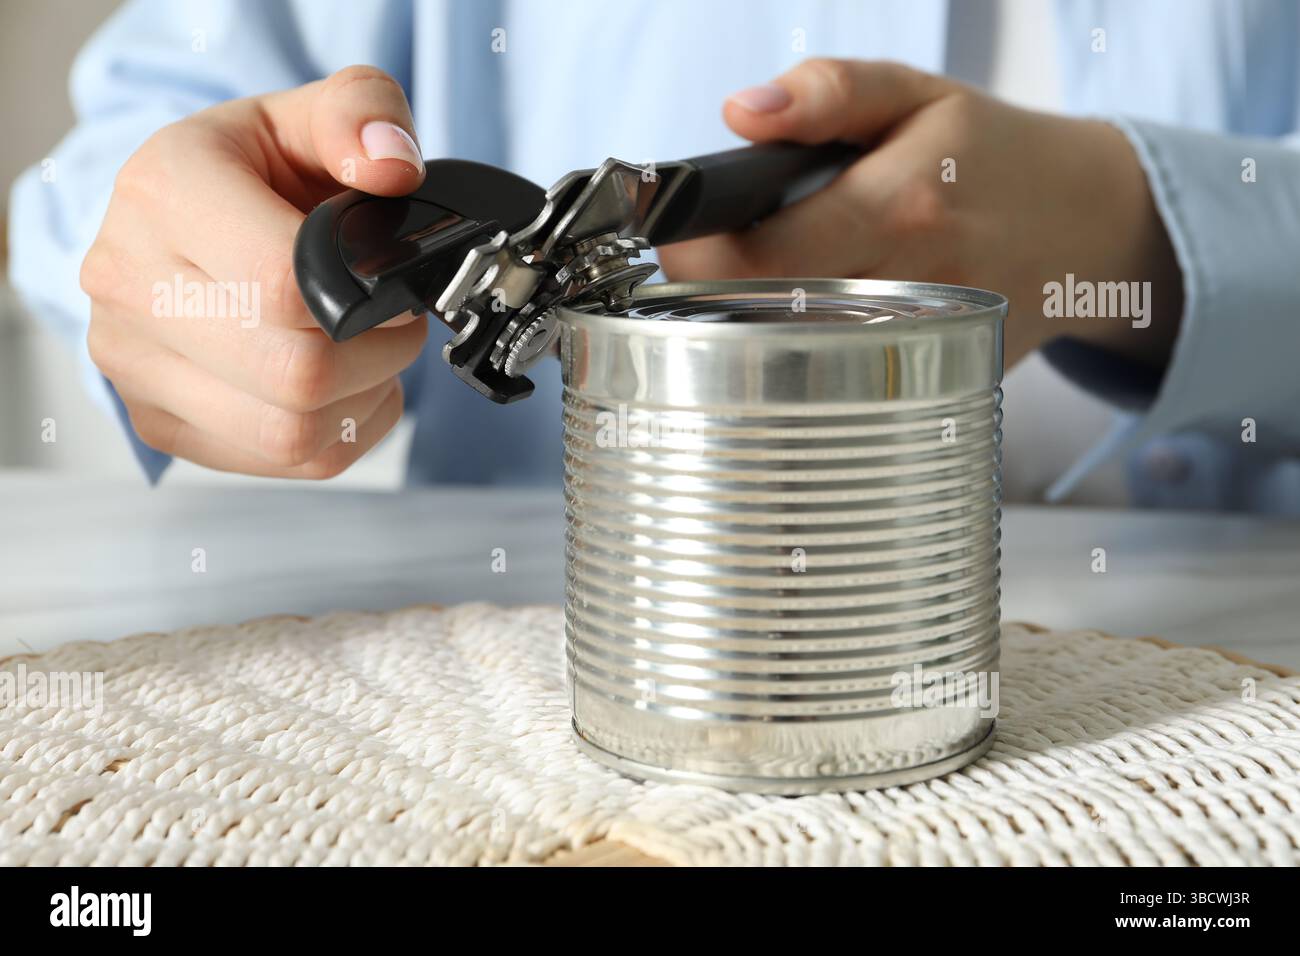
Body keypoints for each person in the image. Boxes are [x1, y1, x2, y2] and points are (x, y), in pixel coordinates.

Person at [9, 0, 1300, 511]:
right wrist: (179, 262)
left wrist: (1144, 231)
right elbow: (137, 148)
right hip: (560, 720)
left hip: (1215, 684)